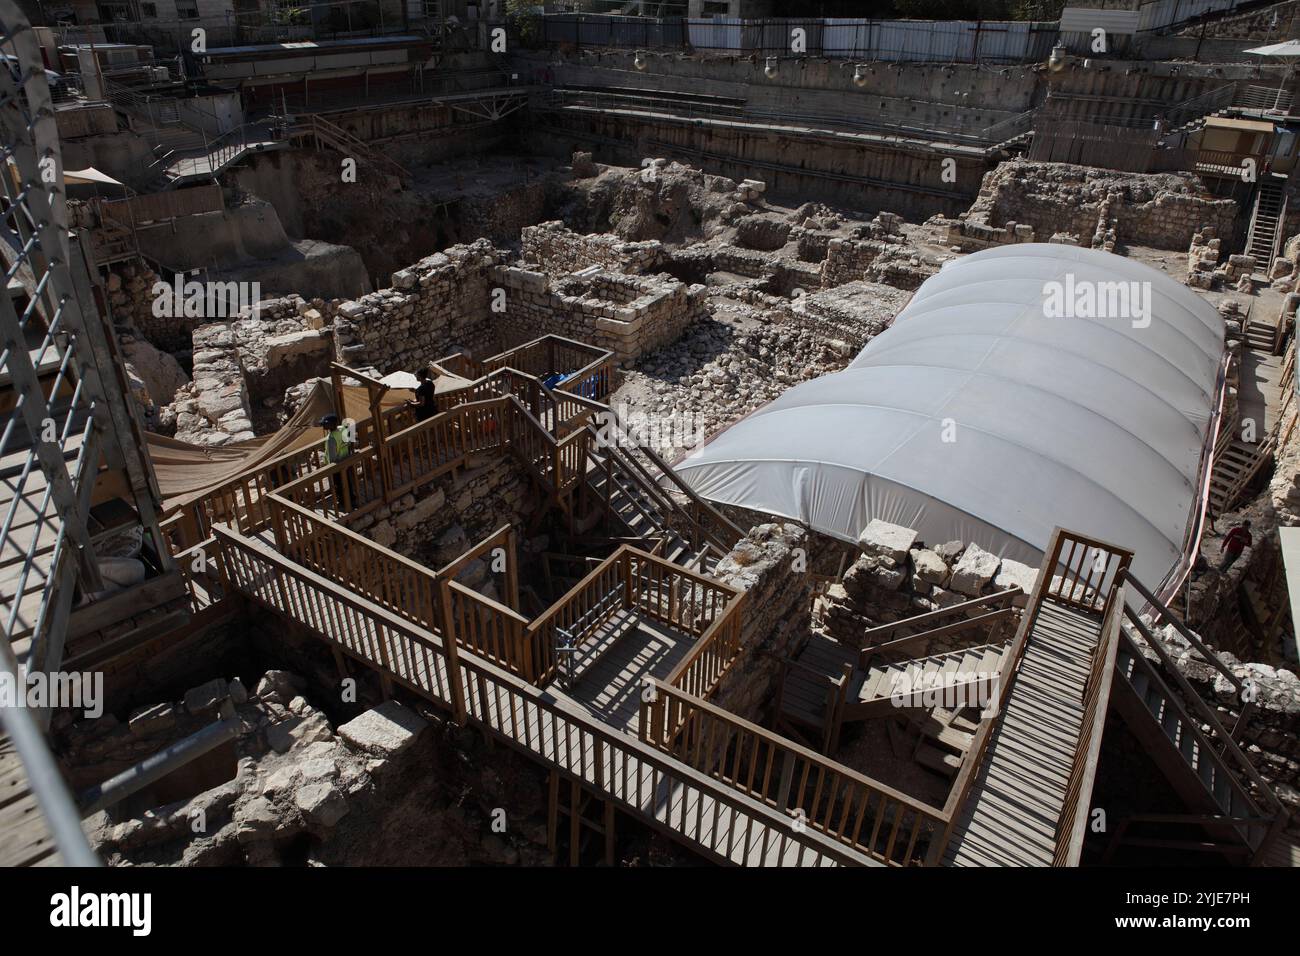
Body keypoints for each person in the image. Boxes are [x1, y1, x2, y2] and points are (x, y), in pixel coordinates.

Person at [320, 414, 356, 508]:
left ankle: (344, 503)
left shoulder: (331, 438)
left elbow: (332, 457)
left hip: (336, 465)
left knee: (338, 485)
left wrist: (329, 464)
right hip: (345, 459)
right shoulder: (342, 429)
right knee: (347, 481)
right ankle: (352, 498)